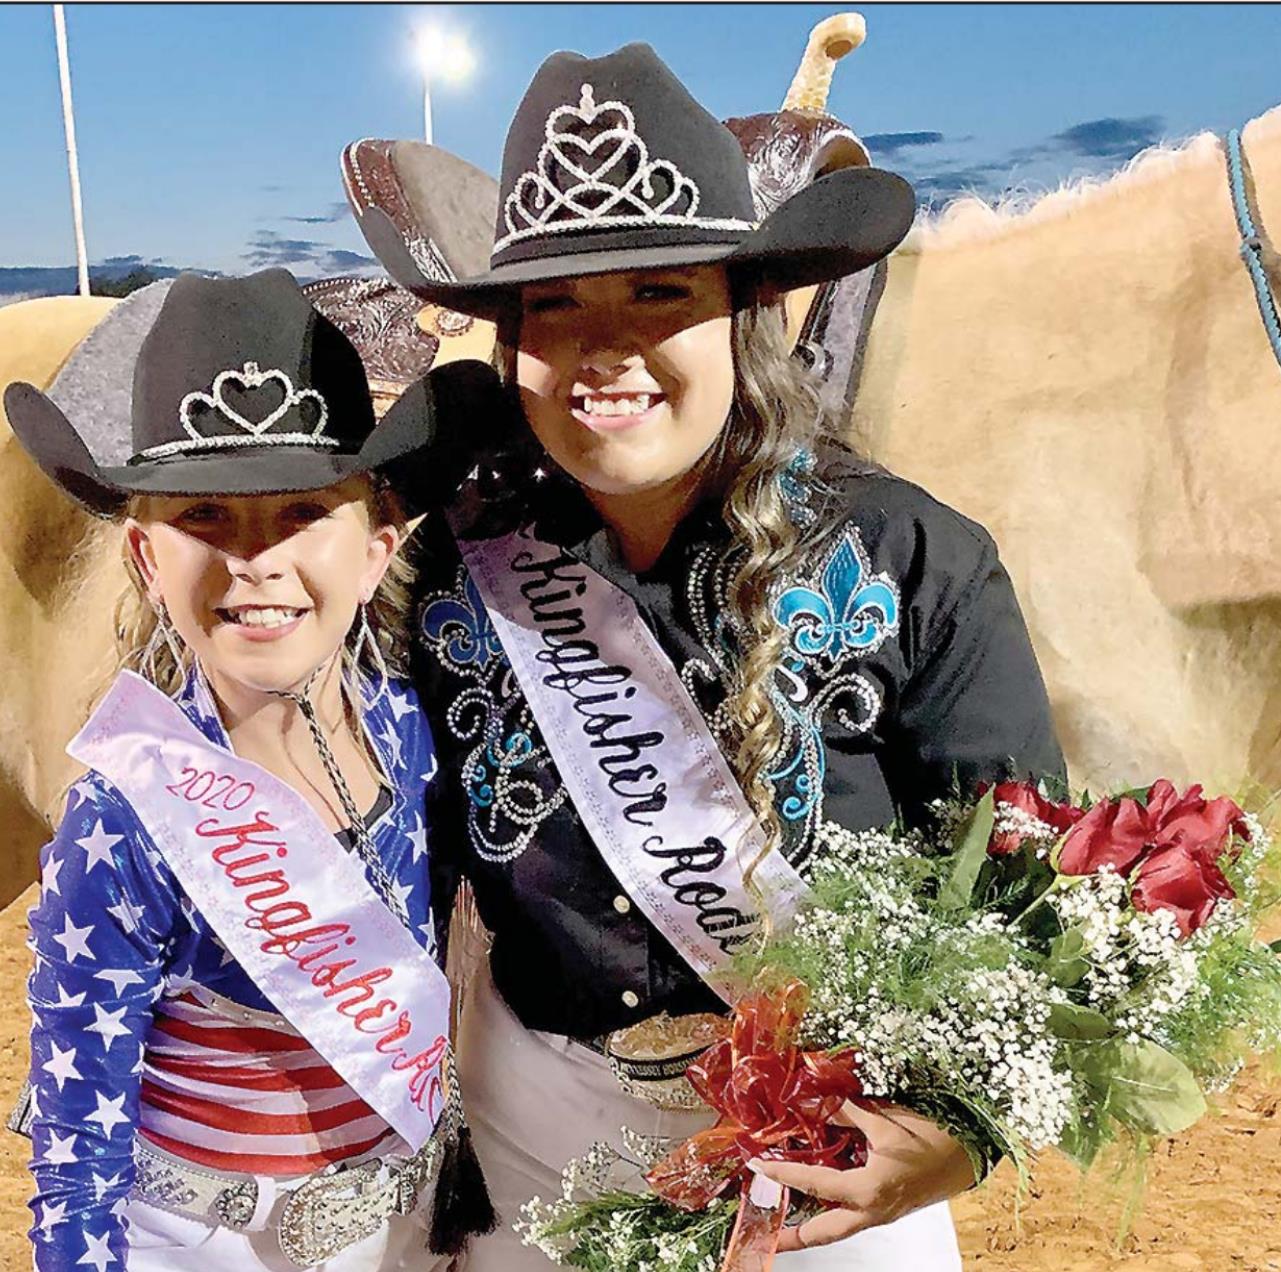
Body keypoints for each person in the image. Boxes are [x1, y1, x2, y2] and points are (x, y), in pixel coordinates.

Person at [374, 44, 1065, 1268]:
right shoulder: (453, 568)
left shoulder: (914, 561)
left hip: (832, 1163)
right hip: (536, 1141)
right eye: (554, 305)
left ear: (744, 310)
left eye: (658, 294)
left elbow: (1031, 902)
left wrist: (955, 1132)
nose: (603, 349)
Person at [4, 270, 494, 1271]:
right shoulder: (125, 812)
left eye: (302, 512)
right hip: (193, 1246)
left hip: (387, 1233)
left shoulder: (408, 737)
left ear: (376, 551)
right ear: (145, 559)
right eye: (206, 519)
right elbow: (76, 1133)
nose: (253, 562)